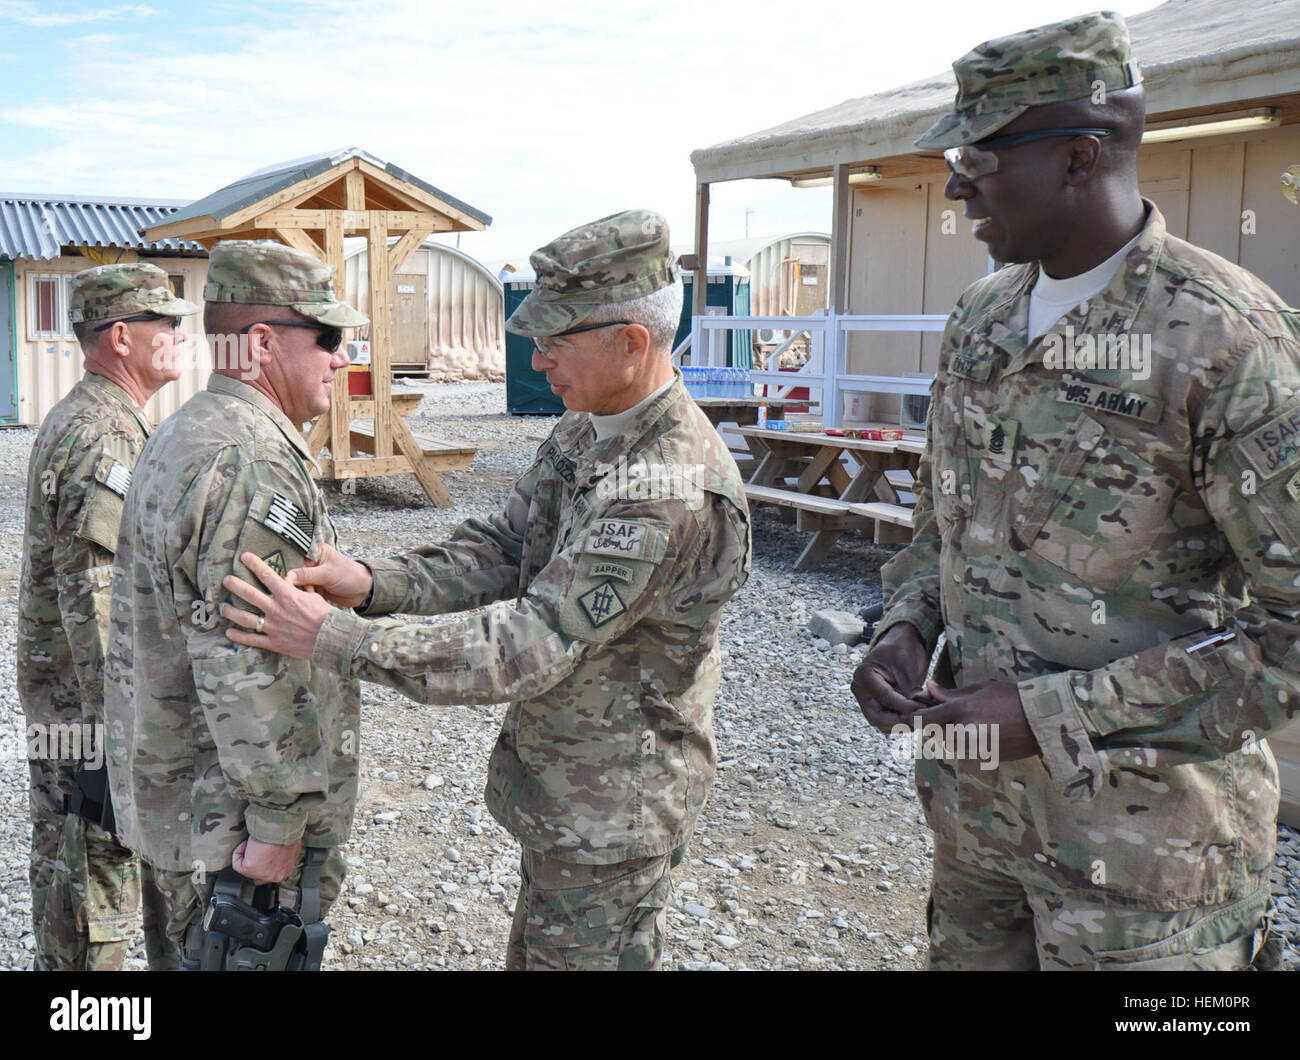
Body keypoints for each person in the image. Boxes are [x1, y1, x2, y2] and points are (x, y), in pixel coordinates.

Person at [852, 11, 1297, 970]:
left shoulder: (1226, 340)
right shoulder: (981, 317)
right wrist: (903, 626)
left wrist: (1050, 715)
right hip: (978, 830)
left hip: (1147, 870)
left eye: (980, 152)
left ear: (1079, 157)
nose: (957, 178)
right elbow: (942, 526)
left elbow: (1292, 630)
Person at [220, 209, 752, 970]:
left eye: (555, 343)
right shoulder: (590, 425)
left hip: (615, 812)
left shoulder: (666, 485)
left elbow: (531, 644)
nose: (538, 363)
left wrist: (337, 639)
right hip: (568, 791)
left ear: (631, 343)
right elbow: (504, 546)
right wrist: (375, 582)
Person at [103, 241, 368, 969]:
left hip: (185, 801)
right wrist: (280, 818)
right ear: (260, 343)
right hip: (235, 830)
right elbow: (248, 656)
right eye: (328, 338)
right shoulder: (249, 457)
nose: (340, 359)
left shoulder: (187, 430)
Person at [18, 263, 198, 970]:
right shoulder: (102, 437)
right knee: (94, 907)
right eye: (168, 324)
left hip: (83, 713)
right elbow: (97, 603)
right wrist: (129, 744)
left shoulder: (108, 420)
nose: (181, 336)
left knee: (87, 885)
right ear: (123, 337)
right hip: (91, 724)